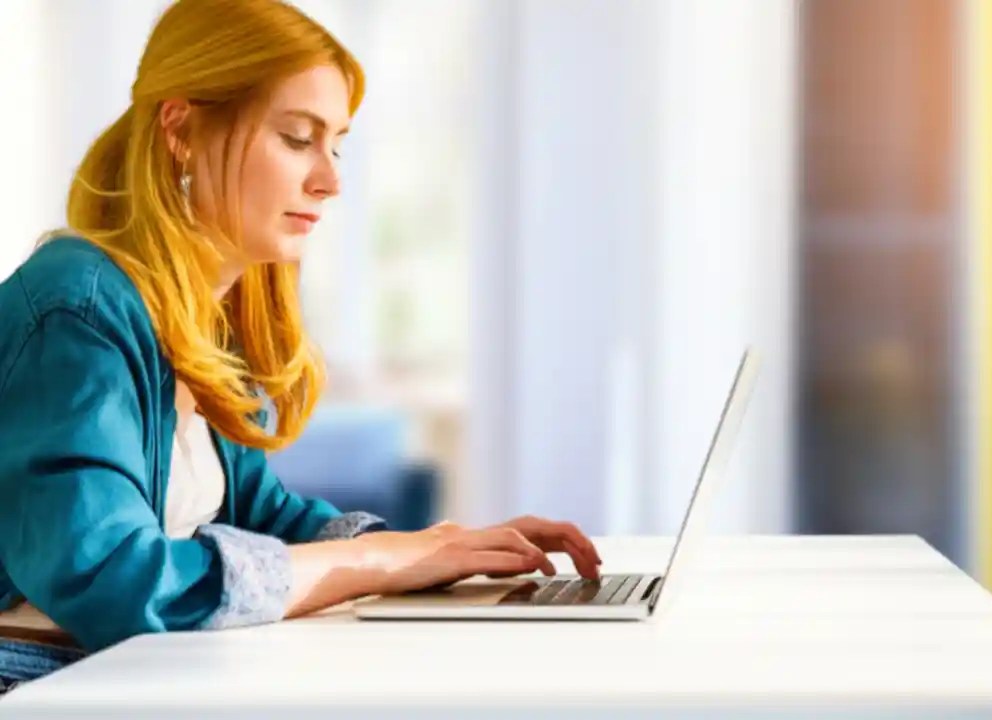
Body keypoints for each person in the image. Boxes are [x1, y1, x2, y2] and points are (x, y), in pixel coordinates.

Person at [0, 0, 601, 693]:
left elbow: (263, 516)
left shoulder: (194, 318)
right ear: (182, 129)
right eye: (296, 137)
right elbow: (113, 579)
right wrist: (377, 563)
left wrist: (436, 552)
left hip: (119, 680)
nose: (331, 179)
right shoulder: (78, 309)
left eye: (337, 144)